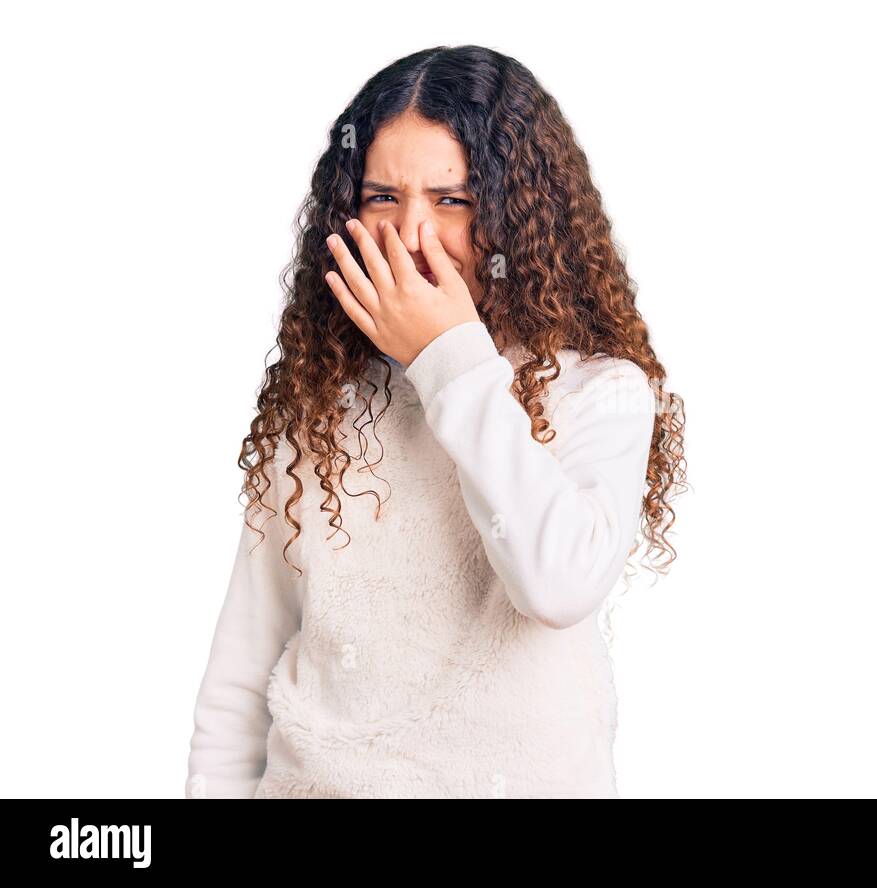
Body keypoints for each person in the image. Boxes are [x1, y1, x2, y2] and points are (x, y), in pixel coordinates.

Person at [185, 44, 687, 799]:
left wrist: (450, 358)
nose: (410, 233)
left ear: (519, 217)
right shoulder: (319, 398)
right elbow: (241, 675)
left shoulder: (600, 392)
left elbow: (556, 585)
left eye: (452, 200)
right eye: (382, 196)